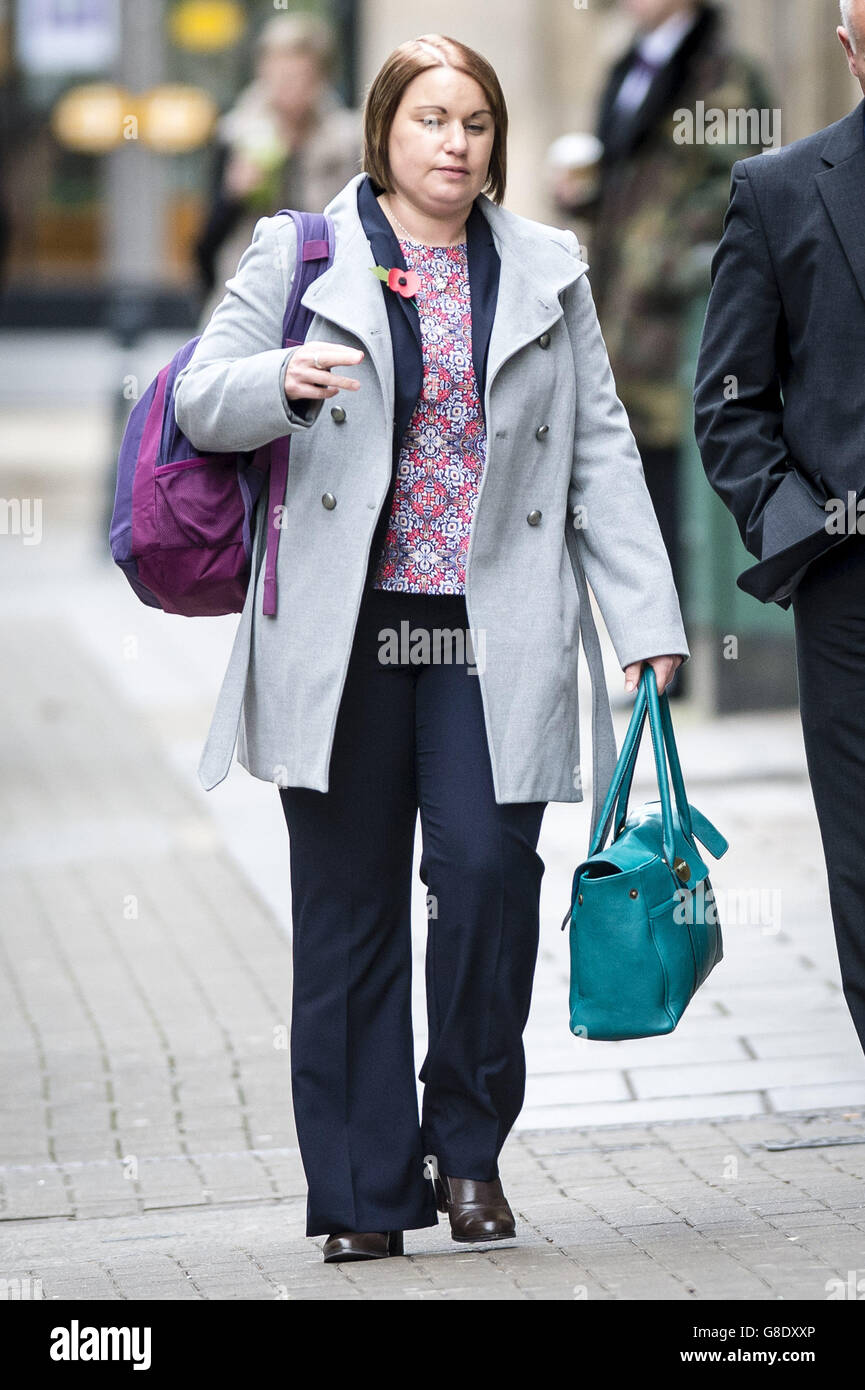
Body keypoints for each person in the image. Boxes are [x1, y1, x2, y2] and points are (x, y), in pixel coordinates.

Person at [174, 33, 689, 1264]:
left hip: (483, 629)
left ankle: (465, 1146)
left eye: (474, 122)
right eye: (429, 119)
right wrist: (281, 385)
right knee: (346, 913)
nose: (454, 142)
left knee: (489, 880)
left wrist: (646, 624)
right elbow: (201, 391)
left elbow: (601, 452)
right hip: (345, 636)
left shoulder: (547, 270)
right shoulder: (301, 253)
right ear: (383, 134)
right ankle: (360, 1188)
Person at [694, 2, 865, 1056]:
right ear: (851, 48)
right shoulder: (780, 188)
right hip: (851, 579)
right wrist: (796, 524)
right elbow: (727, 399)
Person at [554, 0, 772, 660]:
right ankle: (645, 644)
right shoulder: (629, 66)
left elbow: (741, 179)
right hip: (621, 312)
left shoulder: (720, 72)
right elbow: (633, 182)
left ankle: (676, 655)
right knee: (631, 474)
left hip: (681, 319)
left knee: (677, 477)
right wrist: (583, 196)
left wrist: (666, 254)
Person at [193, 12, 361, 326]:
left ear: (322, 78)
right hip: (246, 302)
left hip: (325, 303)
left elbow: (361, 231)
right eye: (280, 76)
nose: (290, 89)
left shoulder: (348, 141)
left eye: (301, 77)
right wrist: (232, 195)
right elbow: (205, 243)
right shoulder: (236, 134)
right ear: (262, 71)